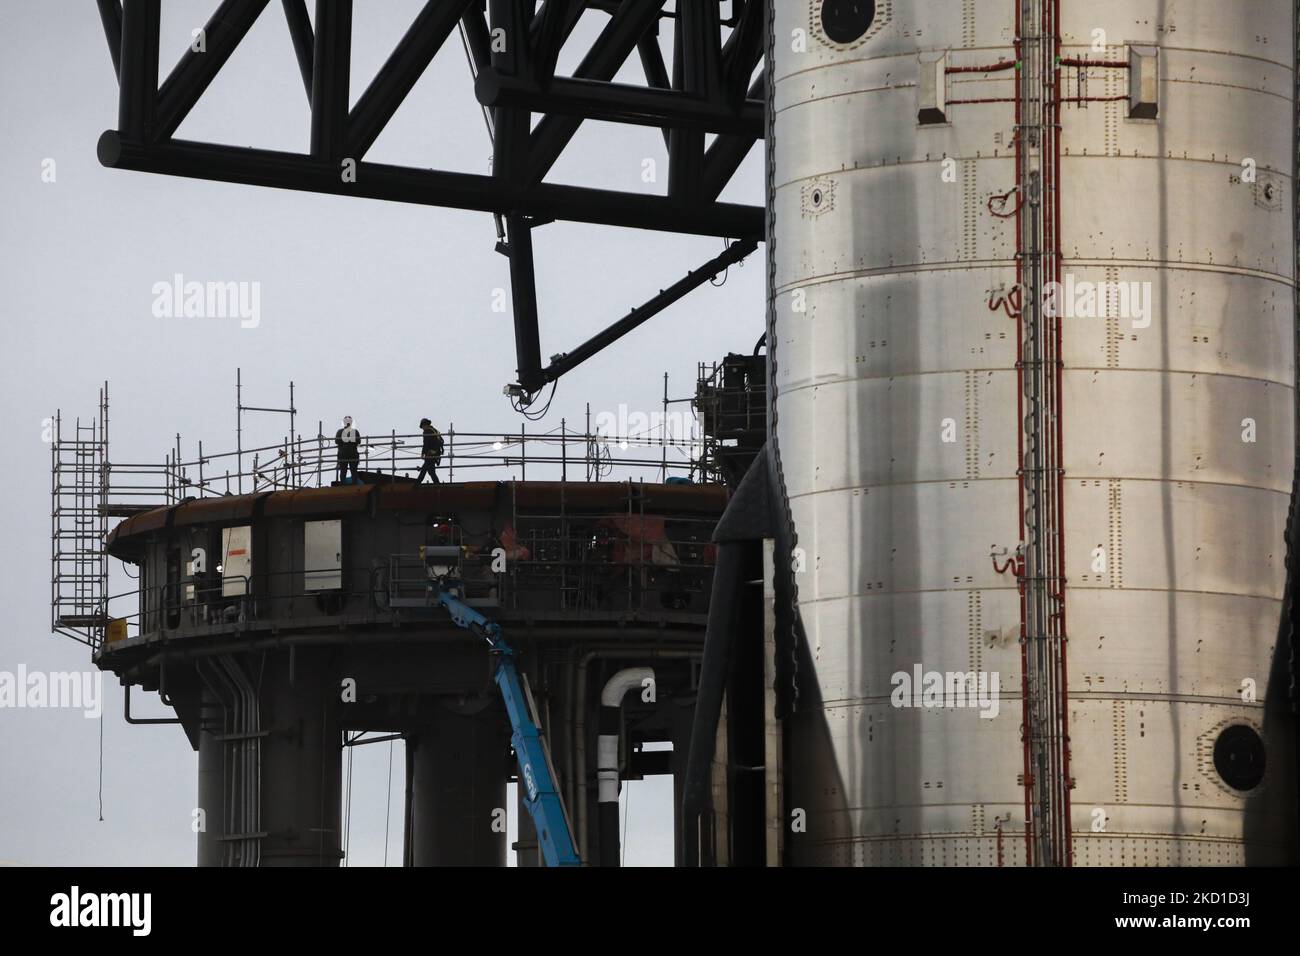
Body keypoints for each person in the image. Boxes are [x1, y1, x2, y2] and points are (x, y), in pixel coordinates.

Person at [415, 418, 444, 484]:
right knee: (430, 471)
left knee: (425, 470)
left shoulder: (427, 431)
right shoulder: (435, 430)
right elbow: (441, 441)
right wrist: (435, 450)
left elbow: (426, 443)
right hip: (436, 453)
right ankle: (437, 485)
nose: (422, 428)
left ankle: (417, 484)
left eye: (422, 426)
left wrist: (423, 453)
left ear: (424, 425)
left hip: (430, 454)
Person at [335, 415, 361, 483]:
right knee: (353, 470)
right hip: (353, 454)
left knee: (343, 471)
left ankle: (343, 484)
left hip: (343, 454)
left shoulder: (340, 431)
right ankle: (354, 483)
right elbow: (358, 441)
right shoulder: (355, 431)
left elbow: (336, 441)